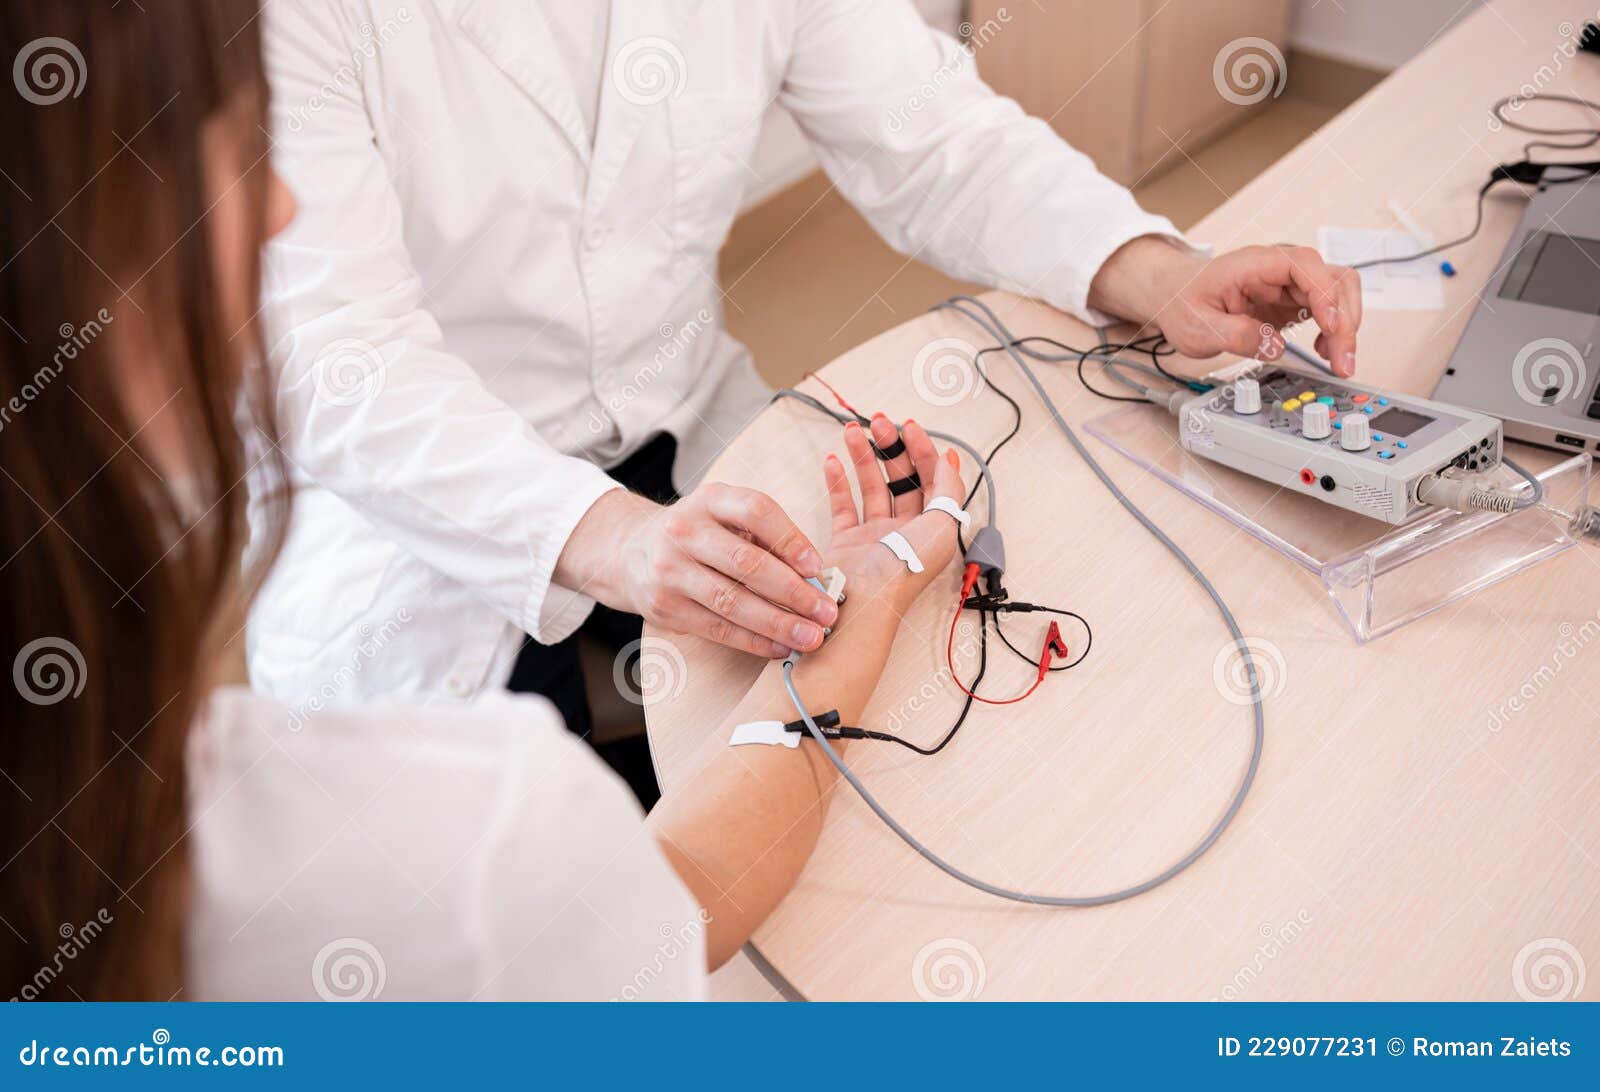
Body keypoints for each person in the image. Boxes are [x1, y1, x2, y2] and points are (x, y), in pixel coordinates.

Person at [0, 0, 964, 1000]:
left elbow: (940, 131)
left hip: (681, 433)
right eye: (232, 147)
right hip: (411, 552)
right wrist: (866, 603)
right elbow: (673, 908)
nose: (279, 206)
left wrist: (1132, 257)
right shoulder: (454, 839)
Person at [253, 1, 1363, 801]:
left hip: (691, 426)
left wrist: (1154, 270)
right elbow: (336, 356)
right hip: (430, 525)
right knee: (529, 930)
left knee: (896, 759)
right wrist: (600, 537)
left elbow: (936, 142)